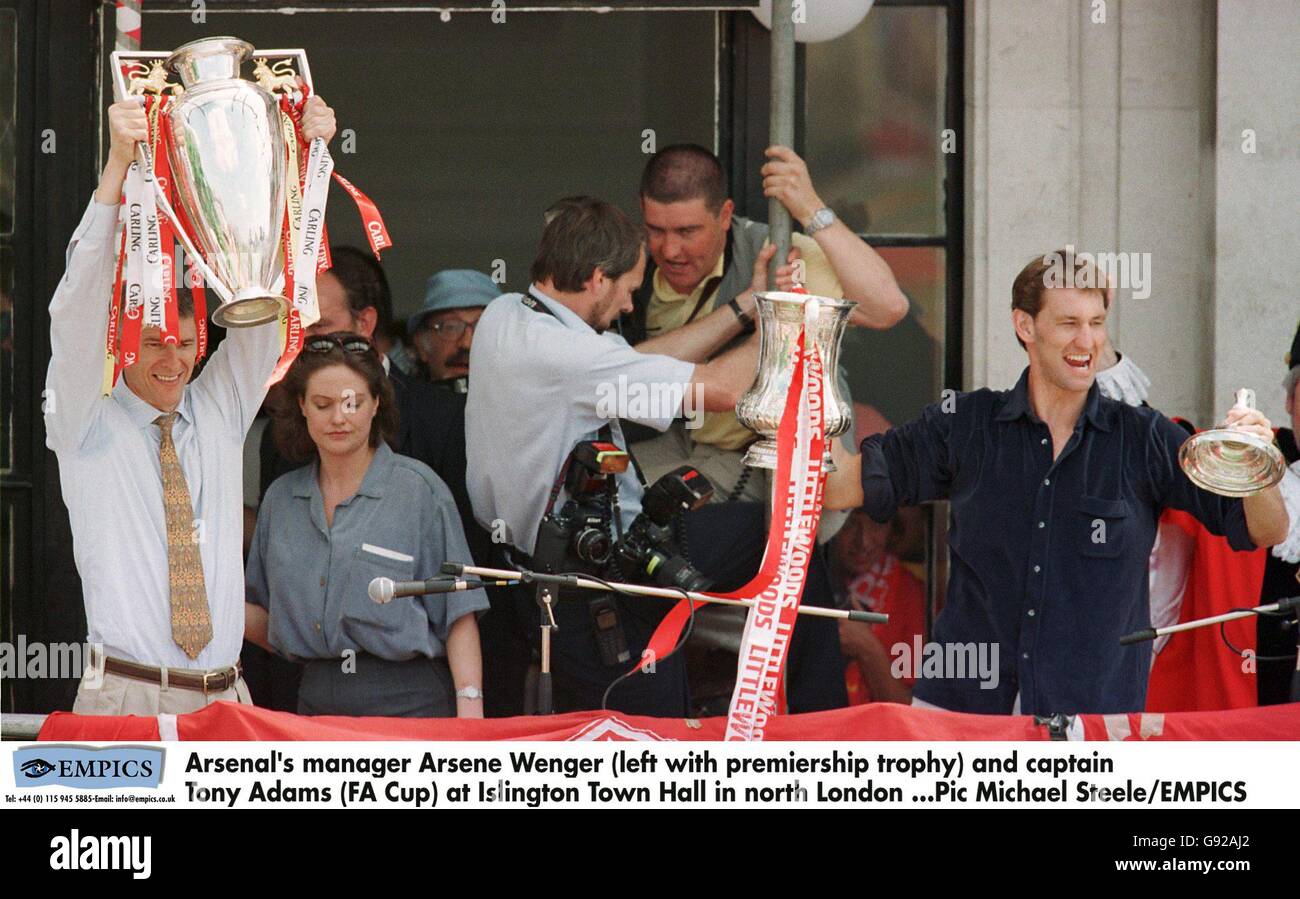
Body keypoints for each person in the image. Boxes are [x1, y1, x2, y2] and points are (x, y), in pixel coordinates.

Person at [822, 248, 1289, 716]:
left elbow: (1266, 530)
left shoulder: (1144, 438)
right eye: (1068, 323)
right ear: (1025, 326)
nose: (1087, 341)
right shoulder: (963, 424)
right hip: (960, 715)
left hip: (1091, 725)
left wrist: (1258, 460)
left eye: (1096, 323)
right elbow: (842, 487)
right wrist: (807, 378)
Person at [47, 96, 336, 715]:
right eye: (154, 342)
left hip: (226, 697)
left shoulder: (218, 412)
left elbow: (267, 300)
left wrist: (303, 161)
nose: (172, 360)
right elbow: (74, 314)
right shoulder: (83, 424)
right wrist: (116, 168)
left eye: (183, 344)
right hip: (126, 695)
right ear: (124, 343)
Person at [467, 198, 797, 717]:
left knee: (767, 533)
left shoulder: (504, 314)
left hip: (543, 576)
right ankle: (816, 715)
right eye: (628, 289)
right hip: (601, 588)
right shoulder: (575, 359)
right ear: (598, 278)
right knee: (650, 741)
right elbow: (724, 390)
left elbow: (634, 365)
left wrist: (745, 309)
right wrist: (787, 320)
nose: (628, 306)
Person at [621, 143, 909, 504]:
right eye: (656, 230)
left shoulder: (776, 253)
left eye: (687, 231)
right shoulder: (634, 267)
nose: (669, 250)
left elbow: (888, 308)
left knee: (657, 512)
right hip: (690, 437)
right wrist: (747, 304)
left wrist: (811, 209)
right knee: (605, 493)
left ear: (725, 215)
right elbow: (622, 375)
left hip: (767, 452)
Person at [245, 333, 487, 717]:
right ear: (302, 406)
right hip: (314, 702)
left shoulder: (418, 489)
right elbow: (262, 617)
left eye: (352, 403)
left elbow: (458, 613)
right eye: (322, 404)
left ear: (376, 403)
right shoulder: (281, 499)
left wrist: (470, 713)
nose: (338, 418)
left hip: (411, 701)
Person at [832, 509, 926, 705]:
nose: (863, 542)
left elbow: (912, 709)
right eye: (849, 523)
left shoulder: (911, 594)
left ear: (893, 528)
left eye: (877, 522)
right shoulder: (806, 584)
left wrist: (866, 646)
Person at [407, 269, 499, 391]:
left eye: (482, 328)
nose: (466, 344)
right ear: (421, 345)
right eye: (450, 327)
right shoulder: (400, 401)